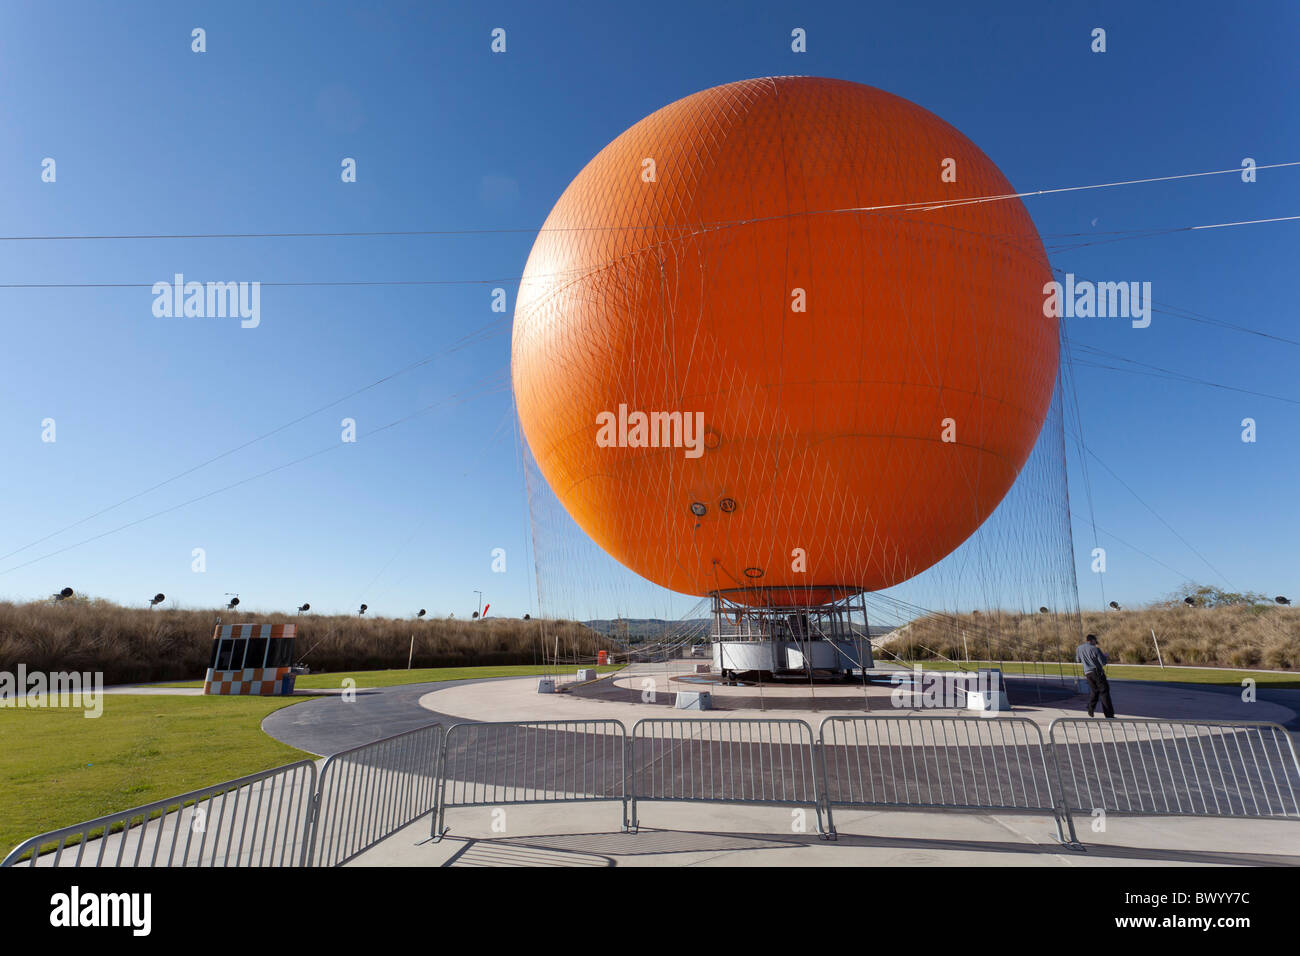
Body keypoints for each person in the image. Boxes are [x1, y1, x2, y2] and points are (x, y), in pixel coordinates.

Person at [1075, 633, 1114, 718]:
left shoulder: (1079, 648)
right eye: (1095, 641)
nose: (1096, 643)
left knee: (1095, 691)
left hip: (1088, 673)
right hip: (1097, 672)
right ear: (1092, 640)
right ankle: (1109, 714)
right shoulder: (1095, 649)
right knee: (1104, 692)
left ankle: (1090, 708)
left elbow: (1078, 660)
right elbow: (1103, 662)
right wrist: (1105, 656)